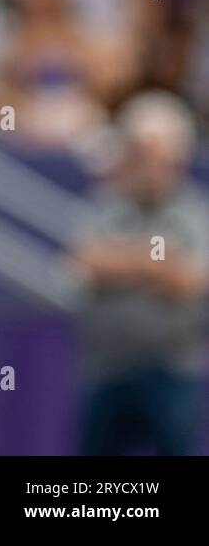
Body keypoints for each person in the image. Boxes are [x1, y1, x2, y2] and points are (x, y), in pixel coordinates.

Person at [71, 90, 209, 456]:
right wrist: (153, 261)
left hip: (171, 370)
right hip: (107, 369)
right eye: (141, 155)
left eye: (158, 156)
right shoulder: (105, 205)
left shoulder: (194, 214)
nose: (150, 167)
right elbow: (85, 262)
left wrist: (123, 259)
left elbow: (192, 281)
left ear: (177, 157)